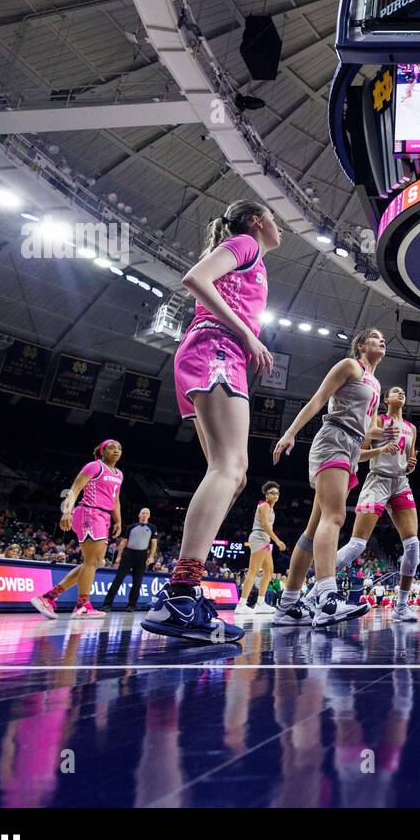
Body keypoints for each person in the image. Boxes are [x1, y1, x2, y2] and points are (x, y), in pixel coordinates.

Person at [146, 199, 278, 644]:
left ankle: (183, 590)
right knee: (230, 469)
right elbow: (195, 279)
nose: (279, 227)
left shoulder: (251, 256)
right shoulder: (245, 243)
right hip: (217, 348)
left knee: (231, 475)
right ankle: (181, 592)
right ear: (257, 222)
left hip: (214, 351)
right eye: (273, 218)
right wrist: (245, 333)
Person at [271, 329, 385, 628]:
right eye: (375, 336)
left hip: (351, 446)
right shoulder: (349, 366)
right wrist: (290, 433)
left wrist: (385, 435)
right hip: (334, 438)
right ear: (361, 345)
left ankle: (287, 604)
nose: (382, 340)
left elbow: (368, 429)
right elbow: (319, 399)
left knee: (313, 530)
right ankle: (326, 599)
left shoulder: (375, 382)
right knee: (334, 518)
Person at [345, 386, 420, 623]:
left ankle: (401, 605)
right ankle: (318, 589)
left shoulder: (412, 428)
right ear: (386, 399)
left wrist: (411, 464)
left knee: (413, 547)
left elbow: (409, 459)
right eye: (396, 391)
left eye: (403, 392)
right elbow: (359, 454)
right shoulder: (379, 420)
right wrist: (380, 448)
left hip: (400, 482)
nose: (401, 393)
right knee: (357, 546)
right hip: (377, 480)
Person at [32, 440, 123, 620]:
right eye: (112, 447)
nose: (116, 451)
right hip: (89, 511)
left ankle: (48, 597)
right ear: (102, 451)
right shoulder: (94, 466)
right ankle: (83, 605)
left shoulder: (119, 474)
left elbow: (116, 498)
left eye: (119, 448)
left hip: (104, 516)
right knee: (91, 562)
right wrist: (67, 511)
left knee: (94, 563)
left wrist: (118, 520)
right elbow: (74, 489)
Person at [237, 482, 286, 615]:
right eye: (272, 493)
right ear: (266, 495)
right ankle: (241, 604)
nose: (275, 495)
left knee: (269, 571)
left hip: (264, 539)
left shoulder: (271, 508)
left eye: (277, 493)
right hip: (258, 536)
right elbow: (265, 525)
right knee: (253, 572)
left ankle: (260, 603)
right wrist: (277, 541)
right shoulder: (264, 506)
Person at [103, 507, 157, 612]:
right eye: (143, 513)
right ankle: (107, 604)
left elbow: (154, 543)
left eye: (147, 513)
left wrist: (151, 556)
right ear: (139, 515)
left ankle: (131, 605)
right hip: (128, 554)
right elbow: (123, 542)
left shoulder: (152, 528)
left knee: (137, 582)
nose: (145, 514)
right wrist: (119, 556)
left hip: (142, 556)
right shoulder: (131, 526)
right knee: (118, 579)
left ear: (149, 516)